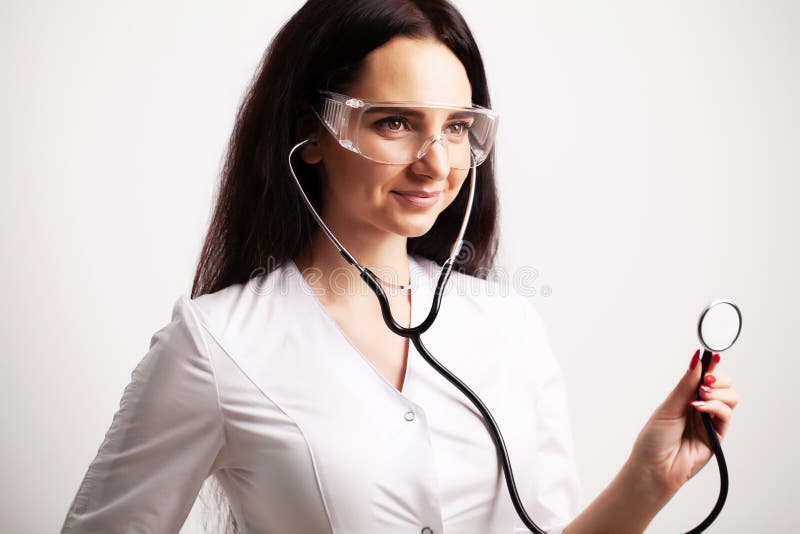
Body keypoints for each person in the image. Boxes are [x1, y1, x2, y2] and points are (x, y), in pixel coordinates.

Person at [61, 1, 739, 533]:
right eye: (395, 123)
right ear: (314, 134)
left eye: (455, 127)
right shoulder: (216, 345)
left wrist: (650, 482)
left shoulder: (508, 326)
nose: (437, 164)